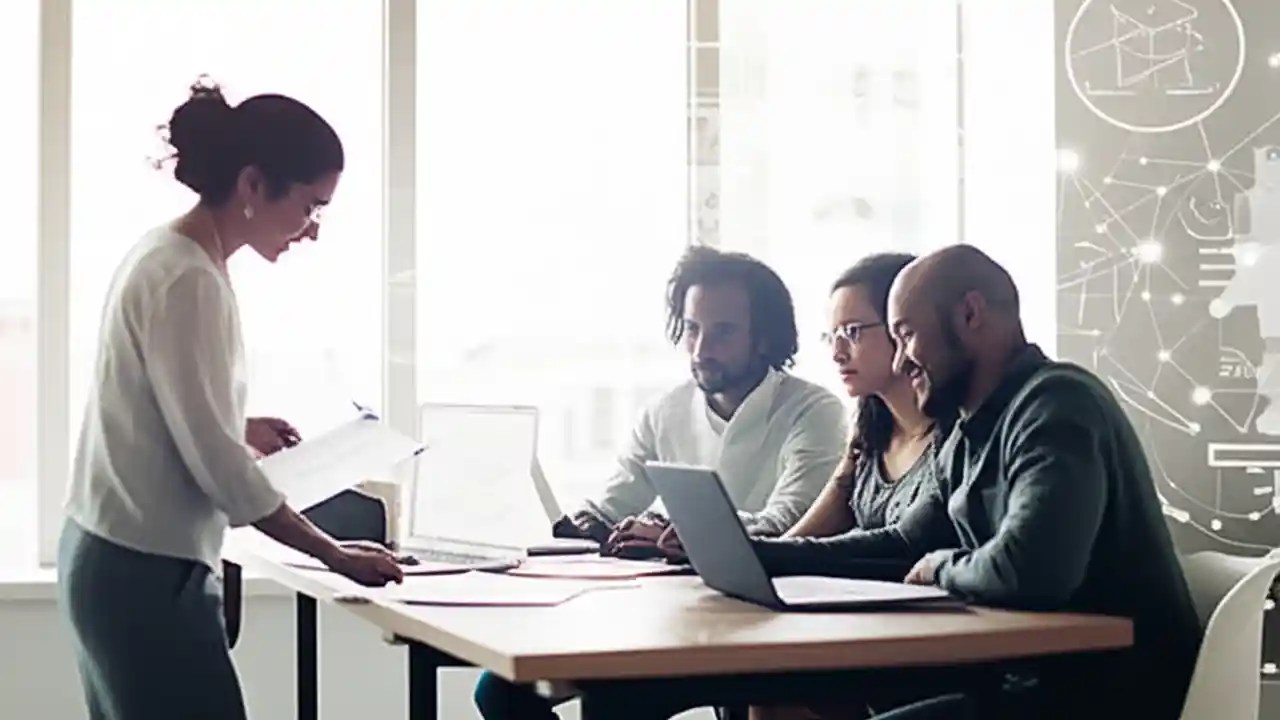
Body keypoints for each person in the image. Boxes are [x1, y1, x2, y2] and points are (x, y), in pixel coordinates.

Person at [57, 79, 404, 720]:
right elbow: (222, 474)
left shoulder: (170, 255)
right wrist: (334, 554)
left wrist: (235, 422)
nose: (313, 231)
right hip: (144, 572)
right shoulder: (188, 278)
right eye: (310, 206)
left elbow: (158, 400)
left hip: (113, 555)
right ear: (252, 185)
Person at [750, 244, 1200, 720]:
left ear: (970, 314)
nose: (901, 362)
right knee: (778, 689)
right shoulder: (967, 430)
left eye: (906, 335)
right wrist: (767, 554)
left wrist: (940, 566)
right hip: (1019, 678)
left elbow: (1032, 573)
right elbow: (903, 545)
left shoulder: (1058, 403)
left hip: (1104, 693)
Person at [474, 244, 848, 719]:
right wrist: (585, 525)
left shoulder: (814, 412)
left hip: (766, 625)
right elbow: (610, 504)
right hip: (674, 615)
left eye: (722, 332)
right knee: (500, 689)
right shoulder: (668, 410)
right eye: (692, 329)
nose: (700, 349)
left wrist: (675, 535)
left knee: (612, 700)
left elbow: (787, 523)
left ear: (764, 338)